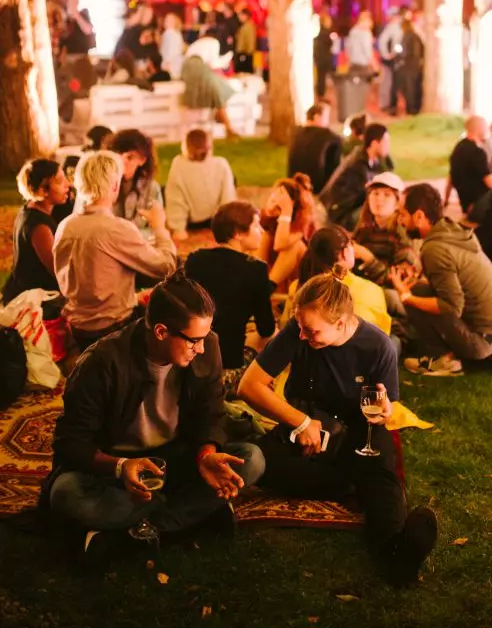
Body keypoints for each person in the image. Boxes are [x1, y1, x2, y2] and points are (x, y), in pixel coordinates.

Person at [46, 272, 265, 565]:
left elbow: (211, 413)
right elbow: (70, 443)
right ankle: (193, 515)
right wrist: (120, 467)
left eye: (204, 337)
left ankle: (135, 532)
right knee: (66, 493)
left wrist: (205, 455)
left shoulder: (207, 346)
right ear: (161, 332)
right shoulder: (103, 361)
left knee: (252, 459)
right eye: (193, 341)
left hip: (177, 458)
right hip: (119, 471)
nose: (201, 348)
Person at [238, 274, 438, 586]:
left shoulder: (378, 346)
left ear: (342, 323)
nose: (303, 335)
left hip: (357, 428)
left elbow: (386, 407)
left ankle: (395, 552)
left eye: (312, 330)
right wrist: (300, 422)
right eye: (300, 326)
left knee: (380, 470)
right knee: (262, 462)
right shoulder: (298, 330)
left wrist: (385, 411)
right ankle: (352, 484)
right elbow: (248, 386)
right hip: (303, 425)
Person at [54, 151, 177, 350]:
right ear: (114, 185)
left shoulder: (65, 226)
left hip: (77, 326)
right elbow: (166, 267)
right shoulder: (115, 228)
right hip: (113, 328)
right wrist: (159, 226)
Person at [396, 184, 492, 376]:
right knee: (419, 288)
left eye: (402, 214)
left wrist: (406, 296)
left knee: (413, 294)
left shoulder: (434, 249)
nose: (400, 220)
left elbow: (452, 306)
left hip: (480, 342)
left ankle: (444, 361)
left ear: (418, 216)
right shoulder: (452, 230)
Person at [185, 202, 275, 396]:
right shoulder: (255, 269)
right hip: (226, 370)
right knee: (270, 339)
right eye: (256, 225)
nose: (261, 231)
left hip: (189, 367)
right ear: (237, 233)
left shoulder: (195, 259)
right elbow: (266, 328)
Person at [3, 159, 71, 316]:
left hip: (26, 292)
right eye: (60, 182)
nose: (68, 185)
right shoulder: (39, 226)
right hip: (34, 303)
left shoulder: (30, 210)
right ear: (43, 190)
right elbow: (57, 271)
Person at [352, 172, 419, 315]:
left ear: (397, 203)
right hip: (366, 290)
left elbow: (402, 282)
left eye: (387, 195)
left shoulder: (402, 234)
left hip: (395, 298)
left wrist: (368, 259)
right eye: (375, 193)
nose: (379, 200)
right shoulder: (364, 229)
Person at [166, 128, 236, 239]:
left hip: (191, 223)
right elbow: (227, 197)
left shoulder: (178, 165)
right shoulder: (221, 164)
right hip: (215, 221)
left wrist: (178, 228)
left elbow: (176, 200)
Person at [320, 123, 392, 231]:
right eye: (385, 142)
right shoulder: (358, 166)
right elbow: (368, 195)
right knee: (380, 210)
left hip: (347, 207)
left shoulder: (369, 158)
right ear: (374, 143)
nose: (388, 146)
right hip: (340, 215)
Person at [259, 175, 316, 291]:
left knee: (295, 246)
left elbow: (280, 244)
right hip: (270, 278)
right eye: (273, 199)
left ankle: (265, 289)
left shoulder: (301, 220)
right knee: (262, 236)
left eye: (280, 203)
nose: (272, 206)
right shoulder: (262, 217)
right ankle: (259, 285)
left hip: (299, 280)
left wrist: (286, 212)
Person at [181, 41, 240, 138]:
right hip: (200, 70)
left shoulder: (196, 51)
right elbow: (213, 63)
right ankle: (227, 126)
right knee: (217, 89)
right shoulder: (213, 44)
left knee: (216, 89)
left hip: (196, 71)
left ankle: (226, 124)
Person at [106, 129, 163, 229]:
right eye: (118, 156)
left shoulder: (151, 188)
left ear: (142, 160)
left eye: (130, 157)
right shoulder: (102, 185)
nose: (122, 162)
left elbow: (157, 226)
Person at [445, 115, 492, 217]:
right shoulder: (477, 152)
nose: (488, 129)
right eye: (486, 126)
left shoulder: (459, 147)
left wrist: (446, 200)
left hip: (467, 207)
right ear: (480, 128)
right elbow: (491, 183)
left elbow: (451, 178)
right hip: (479, 206)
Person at [287, 101, 343, 195]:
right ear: (317, 117)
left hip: (294, 186)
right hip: (317, 188)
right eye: (326, 117)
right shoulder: (329, 137)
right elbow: (335, 169)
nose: (328, 122)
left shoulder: (295, 134)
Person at [393, 18, 424, 116]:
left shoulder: (408, 37)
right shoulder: (415, 36)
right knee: (413, 87)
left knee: (409, 88)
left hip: (409, 66)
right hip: (414, 66)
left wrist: (400, 59)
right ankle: (413, 108)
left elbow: (405, 52)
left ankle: (412, 109)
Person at [376, 9, 402, 113]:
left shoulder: (392, 27)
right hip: (391, 60)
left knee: (388, 81)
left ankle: (387, 103)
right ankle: (386, 104)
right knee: (388, 81)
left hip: (391, 59)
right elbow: (382, 41)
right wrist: (387, 55)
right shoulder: (392, 27)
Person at [345, 10, 377, 80]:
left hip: (353, 64)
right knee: (362, 88)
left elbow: (348, 47)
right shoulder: (366, 33)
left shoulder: (353, 31)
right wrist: (375, 65)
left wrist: (349, 60)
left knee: (353, 87)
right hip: (363, 65)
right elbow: (367, 51)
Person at [313, 13, 337, 100]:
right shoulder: (325, 33)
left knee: (321, 78)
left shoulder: (321, 32)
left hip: (320, 59)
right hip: (323, 59)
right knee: (322, 78)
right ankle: (321, 95)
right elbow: (329, 44)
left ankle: (321, 94)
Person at [159, 11, 186, 79]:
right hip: (176, 64)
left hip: (168, 63)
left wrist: (167, 62)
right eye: (166, 19)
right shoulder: (177, 33)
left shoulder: (169, 33)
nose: (166, 22)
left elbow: (170, 50)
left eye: (169, 20)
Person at [234, 8, 257, 74]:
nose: (239, 17)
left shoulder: (249, 26)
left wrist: (246, 54)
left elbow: (251, 41)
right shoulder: (244, 26)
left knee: (245, 72)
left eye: (241, 15)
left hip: (245, 53)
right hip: (243, 52)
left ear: (246, 15)